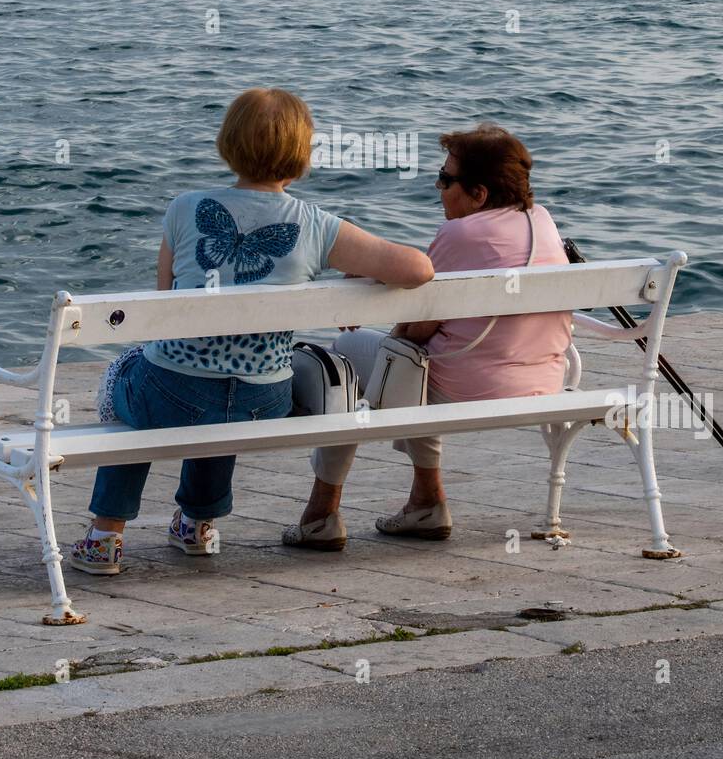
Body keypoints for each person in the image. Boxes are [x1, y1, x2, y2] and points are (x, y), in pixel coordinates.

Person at [68, 88, 433, 575]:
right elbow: (417, 268)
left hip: (175, 395)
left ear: (228, 143)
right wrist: (359, 273)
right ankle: (197, 525)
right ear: (302, 154)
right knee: (225, 396)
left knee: (135, 385)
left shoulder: (185, 207)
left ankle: (105, 537)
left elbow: (160, 310)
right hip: (263, 403)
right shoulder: (315, 225)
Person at [285, 124, 572, 549]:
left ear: (479, 194)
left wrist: (374, 307)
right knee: (416, 363)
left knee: (348, 358)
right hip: (543, 382)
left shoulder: (459, 233)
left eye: (446, 179)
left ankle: (322, 512)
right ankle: (426, 502)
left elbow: (417, 330)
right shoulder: (541, 220)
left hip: (466, 389)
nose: (438, 187)